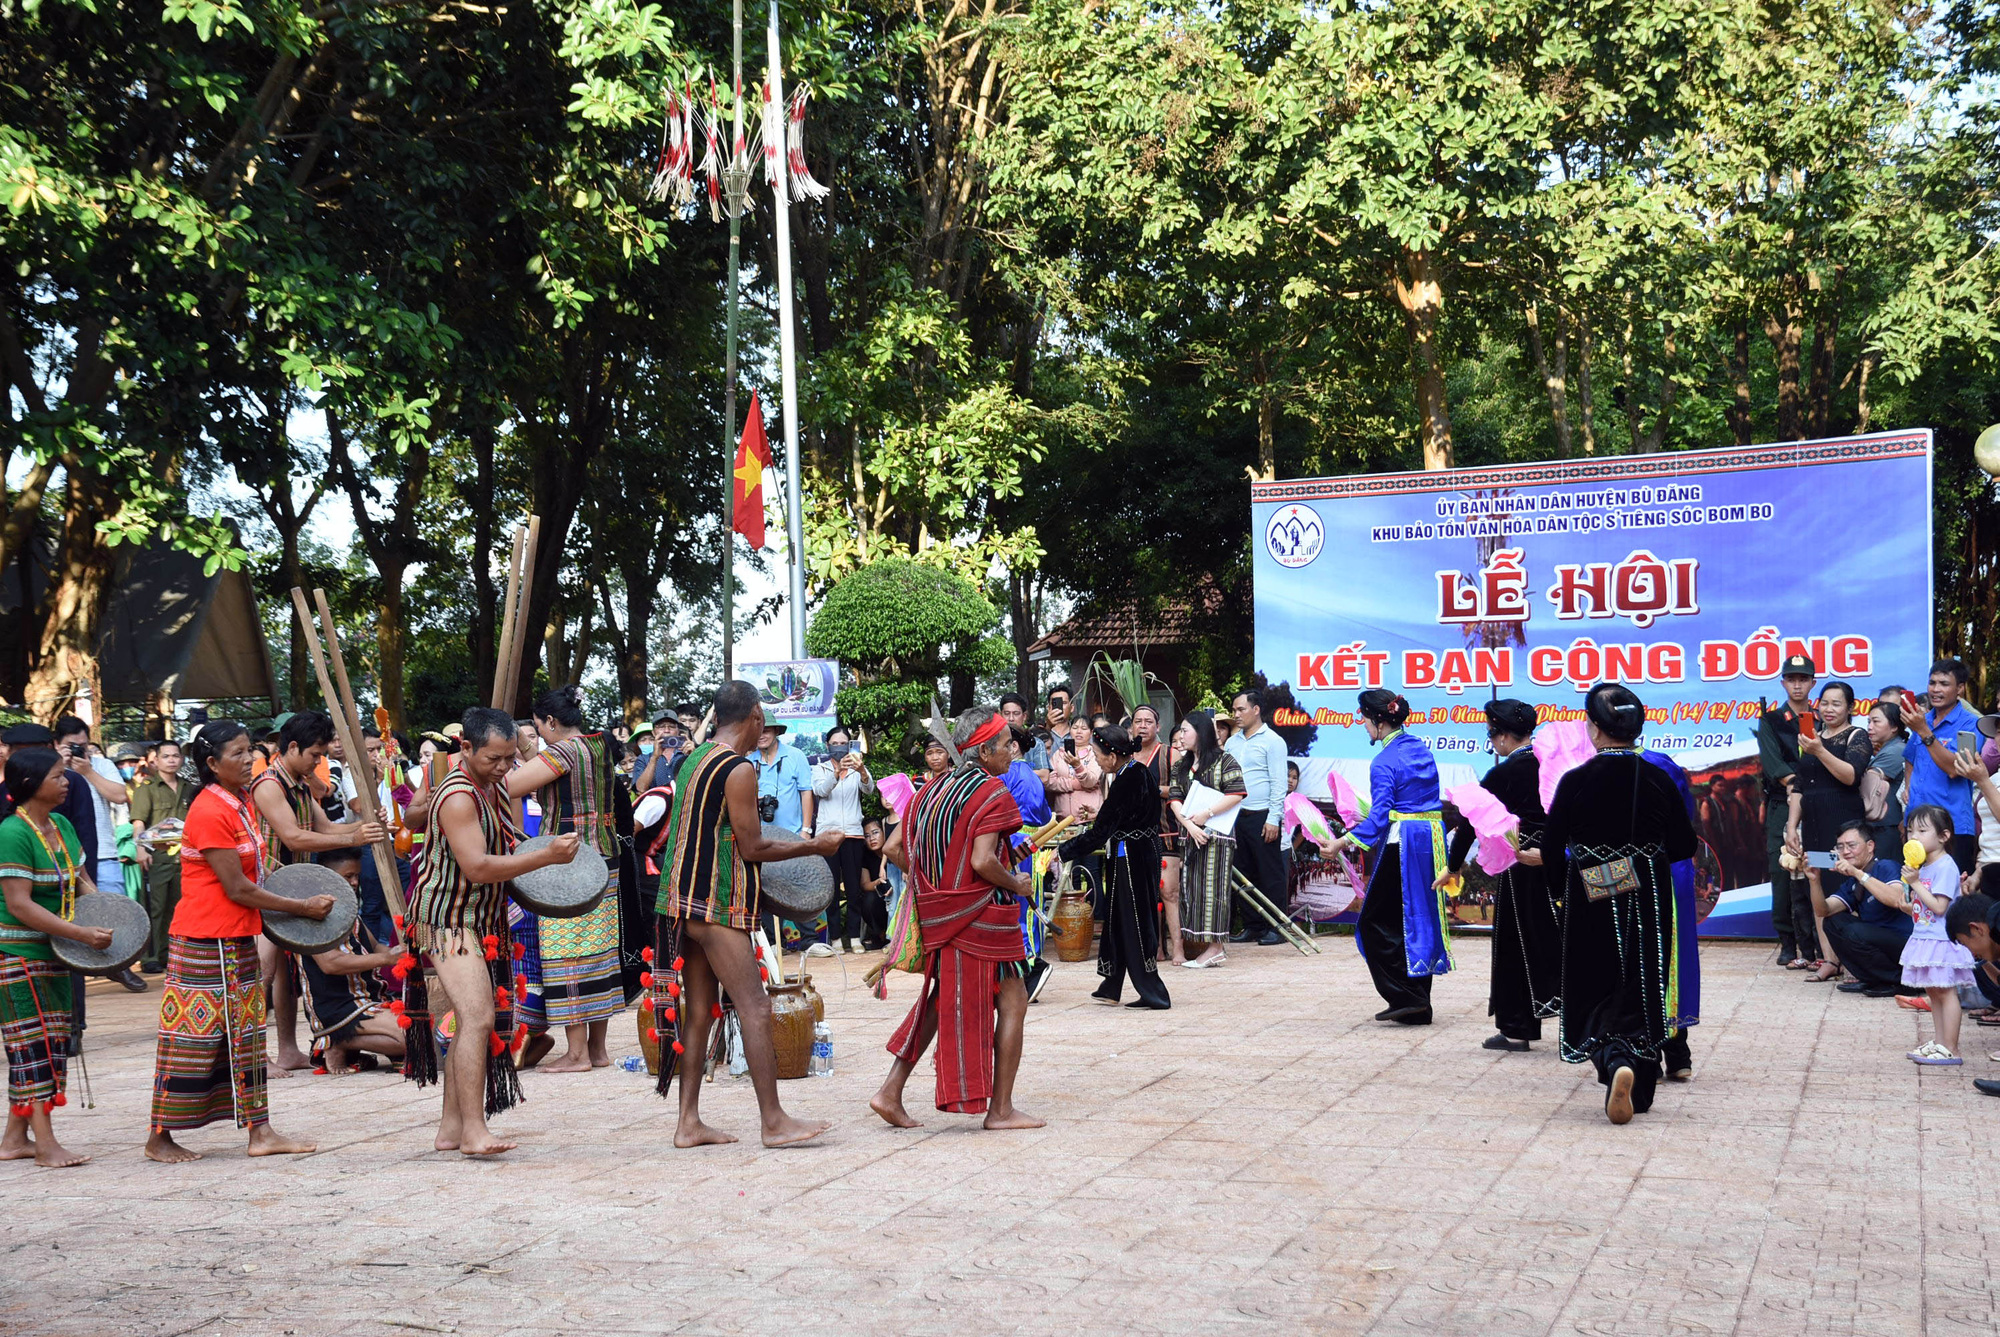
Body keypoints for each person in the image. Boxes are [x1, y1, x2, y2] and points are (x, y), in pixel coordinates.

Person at [652, 679, 839, 1148]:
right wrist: (814, 844)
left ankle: (688, 1123)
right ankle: (773, 1121)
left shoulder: (694, 758)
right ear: (756, 716)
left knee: (698, 1013)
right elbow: (752, 846)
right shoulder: (738, 769)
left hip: (680, 901)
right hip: (716, 903)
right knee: (754, 1006)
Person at [144, 721, 331, 1163]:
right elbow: (238, 888)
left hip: (234, 937)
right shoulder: (209, 810)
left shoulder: (239, 799)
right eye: (239, 754)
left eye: (250, 751)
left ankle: (259, 1132)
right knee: (192, 1038)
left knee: (246, 1034)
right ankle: (159, 1136)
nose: (249, 760)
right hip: (202, 940)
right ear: (212, 763)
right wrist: (301, 907)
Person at [407, 707, 579, 1157]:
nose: (504, 767)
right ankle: (473, 1131)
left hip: (479, 918)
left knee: (473, 1019)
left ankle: (450, 1128)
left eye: (508, 758)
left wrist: (544, 851)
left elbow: (507, 840)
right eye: (493, 759)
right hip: (446, 919)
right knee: (479, 1018)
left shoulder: (493, 785)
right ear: (466, 749)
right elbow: (479, 867)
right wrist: (545, 857)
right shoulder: (459, 796)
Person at [871, 706, 1046, 1128]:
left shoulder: (930, 791)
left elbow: (895, 849)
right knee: (1014, 1001)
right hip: (983, 919)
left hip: (941, 916)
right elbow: (984, 862)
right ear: (984, 751)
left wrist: (938, 890)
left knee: (939, 998)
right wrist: (1016, 883)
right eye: (1006, 745)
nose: (1012, 751)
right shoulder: (991, 792)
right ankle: (1000, 1110)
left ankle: (890, 1092)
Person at [1543, 684, 1699, 1124]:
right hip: (1647, 894)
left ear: (1594, 729)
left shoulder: (1575, 780)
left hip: (1589, 894)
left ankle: (1614, 1062)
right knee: (1642, 983)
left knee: (1594, 985)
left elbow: (1553, 849)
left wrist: (1559, 896)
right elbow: (1685, 845)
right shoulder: (1657, 779)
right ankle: (1641, 1085)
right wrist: (1643, 855)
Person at [502, 685, 629, 1073]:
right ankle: (597, 1050)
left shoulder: (562, 753)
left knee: (566, 953)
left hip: (570, 862)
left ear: (552, 722)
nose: (538, 737)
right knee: (600, 954)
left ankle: (576, 1055)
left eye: (540, 729)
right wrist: (528, 749)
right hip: (605, 858)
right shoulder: (598, 745)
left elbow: (509, 786)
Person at [250, 711, 385, 1073]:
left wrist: (366, 827)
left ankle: (288, 1050)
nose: (318, 761)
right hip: (271, 889)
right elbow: (293, 836)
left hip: (296, 886)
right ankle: (250, 1055)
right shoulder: (268, 784)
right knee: (262, 971)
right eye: (314, 754)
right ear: (292, 747)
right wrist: (354, 835)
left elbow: (326, 828)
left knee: (282, 975)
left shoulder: (296, 782)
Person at [0, 748, 116, 1168]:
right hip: (16, 953)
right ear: (31, 785)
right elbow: (20, 906)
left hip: (55, 950)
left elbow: (80, 881)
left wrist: (111, 917)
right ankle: (46, 1145)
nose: (67, 782)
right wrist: (81, 933)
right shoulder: (12, 833)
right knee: (32, 1047)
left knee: (49, 1042)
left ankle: (14, 1139)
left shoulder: (62, 824)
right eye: (58, 776)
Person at [1440, 699, 1559, 1052]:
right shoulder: (1554, 765)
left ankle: (1516, 1028)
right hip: (1559, 863)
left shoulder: (1502, 774)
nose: (1492, 742)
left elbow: (1470, 823)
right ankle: (1588, 1023)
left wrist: (1453, 865)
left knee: (1515, 946)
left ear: (1504, 736)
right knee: (1566, 940)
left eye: (1492, 734)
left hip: (1521, 866)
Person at [1329, 690, 1450, 1024]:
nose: (1364, 726)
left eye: (1365, 720)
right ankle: (1417, 1000)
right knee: (1415, 919)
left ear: (1379, 720)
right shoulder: (1420, 749)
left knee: (1372, 923)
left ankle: (1406, 997)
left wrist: (1341, 842)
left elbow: (1381, 816)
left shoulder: (1383, 761)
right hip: (1431, 844)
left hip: (1404, 844)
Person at [1056, 723, 1171, 1009]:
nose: (1094, 759)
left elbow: (1103, 829)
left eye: (1096, 754)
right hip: (1133, 855)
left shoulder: (1128, 779)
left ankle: (1152, 991)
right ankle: (1111, 985)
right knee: (1120, 919)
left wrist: (1064, 851)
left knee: (1134, 921)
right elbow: (1121, 818)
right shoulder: (1134, 773)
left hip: (1131, 859)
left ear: (1112, 755)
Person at [50, 715, 145, 993]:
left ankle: (118, 964)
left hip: (103, 848)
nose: (79, 750)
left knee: (111, 906)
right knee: (70, 911)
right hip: (59, 850)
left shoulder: (100, 764)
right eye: (72, 745)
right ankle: (78, 964)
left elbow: (120, 795)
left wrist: (88, 771)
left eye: (84, 744)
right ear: (56, 744)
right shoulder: (49, 767)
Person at [1785, 680, 1871, 976]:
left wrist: (1819, 750)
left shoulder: (1856, 735)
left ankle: (1856, 959)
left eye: (1836, 703)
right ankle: (1830, 961)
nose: (1829, 708)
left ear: (1850, 707)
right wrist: (1791, 825)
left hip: (1844, 825)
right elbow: (1799, 785)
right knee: (1818, 885)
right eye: (1824, 703)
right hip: (1814, 826)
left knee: (1846, 886)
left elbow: (1850, 776)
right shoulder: (1811, 738)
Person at [296, 847, 405, 1075]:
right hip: (338, 1007)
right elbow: (331, 963)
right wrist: (386, 958)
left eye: (356, 876)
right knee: (412, 1034)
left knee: (422, 1031)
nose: (355, 882)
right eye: (348, 876)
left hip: (368, 999)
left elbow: (375, 946)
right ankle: (336, 1039)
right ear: (326, 877)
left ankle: (353, 1043)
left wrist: (401, 952)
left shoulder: (348, 910)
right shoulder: (310, 918)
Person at [1897, 805, 1975, 1065]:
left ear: (1943, 836)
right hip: (1924, 936)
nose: (1914, 837)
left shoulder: (1945, 866)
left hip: (1941, 939)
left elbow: (1940, 907)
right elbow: (1920, 907)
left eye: (1922, 830)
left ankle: (1950, 1046)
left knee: (1945, 992)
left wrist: (1915, 883)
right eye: (1910, 831)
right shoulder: (1921, 866)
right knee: (1933, 993)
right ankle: (1940, 1042)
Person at [1167, 709, 1245, 969]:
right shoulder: (1181, 765)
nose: (1181, 736)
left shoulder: (1225, 761)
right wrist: (1190, 825)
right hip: (1190, 836)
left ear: (1200, 733)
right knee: (1191, 890)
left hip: (1218, 837)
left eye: (1186, 731)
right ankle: (1202, 946)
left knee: (1214, 891)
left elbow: (1236, 793)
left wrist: (1207, 814)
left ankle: (1215, 948)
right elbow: (1174, 800)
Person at [1755, 656, 1816, 967]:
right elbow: (1772, 763)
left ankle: (1818, 942)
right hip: (1783, 803)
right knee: (1782, 871)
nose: (1797, 684)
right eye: (1791, 678)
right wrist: (1797, 783)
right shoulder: (1771, 721)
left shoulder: (1821, 718)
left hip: (1819, 805)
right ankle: (1788, 942)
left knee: (1818, 868)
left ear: (1812, 683)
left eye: (1803, 679)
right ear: (1783, 683)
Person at [1811, 820, 1916, 998]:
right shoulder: (1853, 882)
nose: (1845, 852)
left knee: (1855, 932)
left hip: (1906, 945)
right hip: (1881, 944)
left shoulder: (1886, 866)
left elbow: (1896, 899)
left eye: (1852, 846)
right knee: (1833, 922)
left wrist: (1858, 873)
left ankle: (1902, 982)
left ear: (1870, 846)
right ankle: (1874, 979)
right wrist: (1814, 880)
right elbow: (1823, 911)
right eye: (1840, 847)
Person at [129, 739, 200, 976]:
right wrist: (140, 848)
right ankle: (151, 956)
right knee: (154, 908)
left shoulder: (189, 787)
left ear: (182, 759)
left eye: (175, 756)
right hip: (157, 857)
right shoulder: (146, 788)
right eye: (166, 756)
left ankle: (173, 954)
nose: (171, 760)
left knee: (180, 907)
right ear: (156, 761)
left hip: (185, 857)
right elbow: (139, 821)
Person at [1225, 689, 1289, 947]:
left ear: (1256, 709)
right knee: (1244, 872)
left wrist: (1274, 818)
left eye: (1241, 709)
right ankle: (1253, 926)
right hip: (1234, 815)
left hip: (1262, 815)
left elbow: (1279, 783)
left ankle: (1277, 926)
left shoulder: (1273, 741)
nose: (1236, 714)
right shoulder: (1232, 742)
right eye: (1234, 710)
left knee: (1269, 873)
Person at [1905, 659, 1981, 871]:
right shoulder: (1923, 720)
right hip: (1915, 827)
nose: (1936, 689)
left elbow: (1955, 770)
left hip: (1951, 828)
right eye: (1932, 683)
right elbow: (1910, 757)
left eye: (1944, 684)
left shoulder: (1970, 723)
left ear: (1960, 688)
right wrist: (1909, 787)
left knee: (1950, 897)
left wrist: (1924, 732)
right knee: (1916, 893)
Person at [812, 725, 881, 951]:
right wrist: (836, 772)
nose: (839, 747)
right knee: (831, 889)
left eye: (843, 743)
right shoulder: (820, 768)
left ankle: (853, 937)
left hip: (852, 833)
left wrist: (861, 770)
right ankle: (834, 939)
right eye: (835, 743)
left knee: (853, 888)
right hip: (828, 836)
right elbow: (821, 791)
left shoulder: (857, 767)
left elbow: (870, 789)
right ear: (827, 744)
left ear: (850, 745)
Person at [751, 711, 813, 834]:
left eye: (766, 731)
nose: (761, 736)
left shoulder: (796, 756)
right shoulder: (748, 762)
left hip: (793, 833)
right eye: (756, 732)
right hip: (760, 836)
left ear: (777, 731)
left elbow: (806, 793)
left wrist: (806, 830)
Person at [1864, 699, 1909, 852]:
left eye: (1876, 722)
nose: (1870, 727)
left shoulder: (1896, 750)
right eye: (1869, 721)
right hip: (1882, 824)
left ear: (1895, 726)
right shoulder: (1888, 748)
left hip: (1887, 826)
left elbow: (1868, 784)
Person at [999, 693, 1050, 780]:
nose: (1011, 718)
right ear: (1000, 715)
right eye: (1006, 713)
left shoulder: (1036, 743)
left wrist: (1010, 775)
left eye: (1016, 713)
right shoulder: (994, 742)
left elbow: (1044, 776)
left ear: (1024, 716)